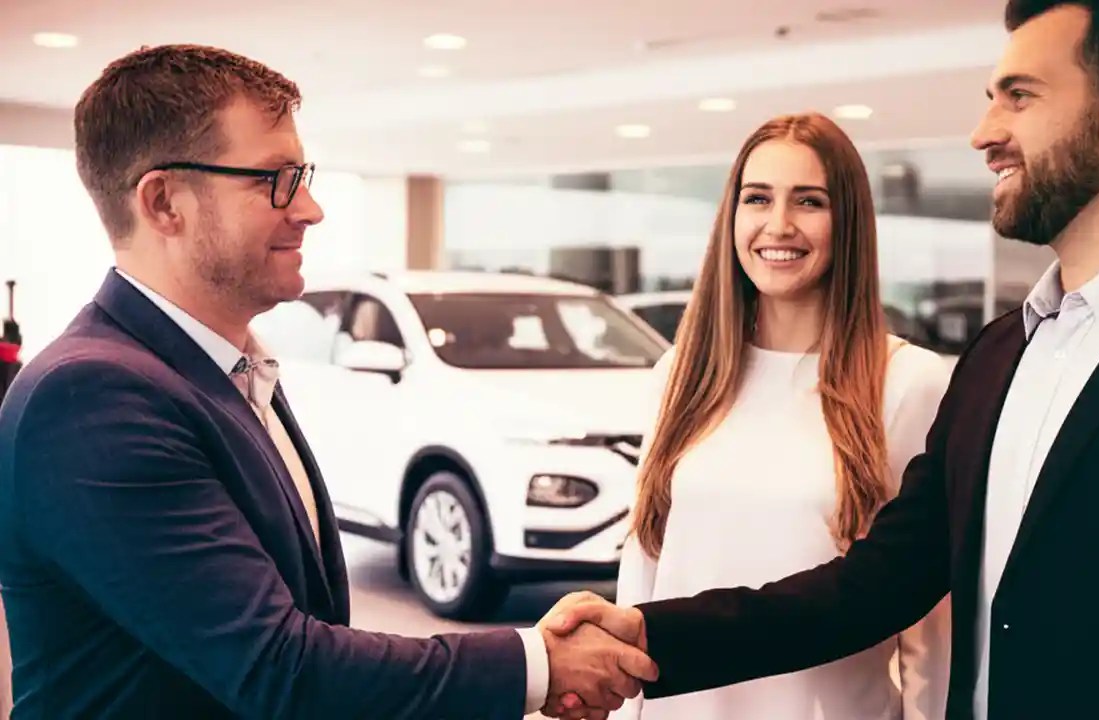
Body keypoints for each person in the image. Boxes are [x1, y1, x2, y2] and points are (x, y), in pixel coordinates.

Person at [545, 2, 1099, 719]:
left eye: (1019, 97)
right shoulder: (998, 358)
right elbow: (875, 587)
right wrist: (650, 634)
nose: (983, 133)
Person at [0, 44, 654, 719]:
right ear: (164, 202)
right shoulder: (92, 399)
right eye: (274, 179)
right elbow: (279, 669)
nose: (309, 208)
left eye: (303, 175)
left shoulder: (229, 367)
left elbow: (303, 630)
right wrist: (538, 665)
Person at [613, 112, 951, 720]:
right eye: (758, 198)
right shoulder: (679, 377)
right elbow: (645, 571)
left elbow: (929, 628)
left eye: (809, 201)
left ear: (847, 220)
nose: (778, 225)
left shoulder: (910, 383)